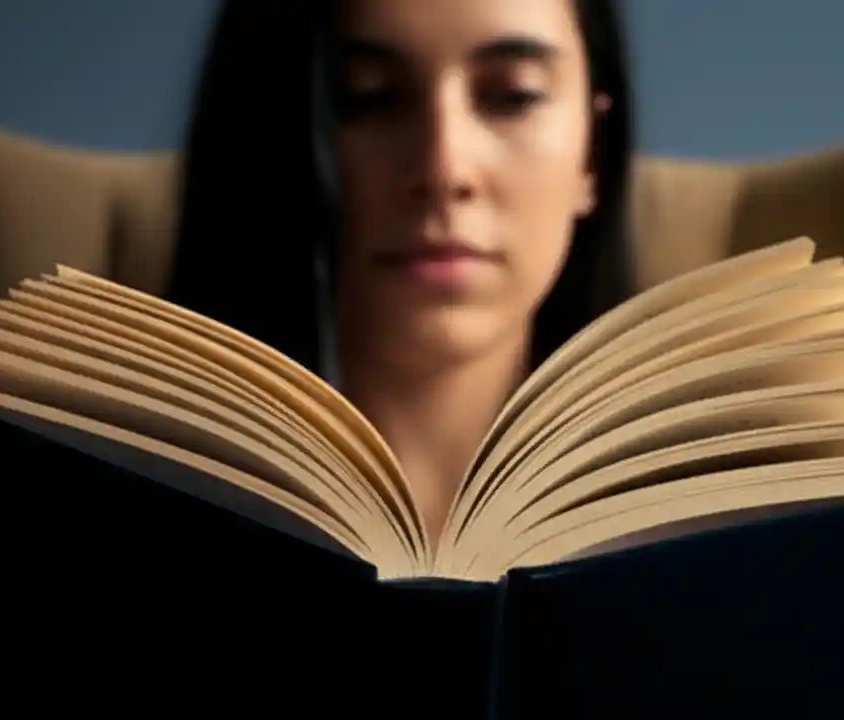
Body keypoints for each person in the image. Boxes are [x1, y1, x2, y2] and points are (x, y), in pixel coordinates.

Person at [165, 0, 636, 538]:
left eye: (513, 96)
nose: (443, 167)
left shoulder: (690, 516)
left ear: (592, 153)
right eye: (370, 97)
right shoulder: (120, 497)